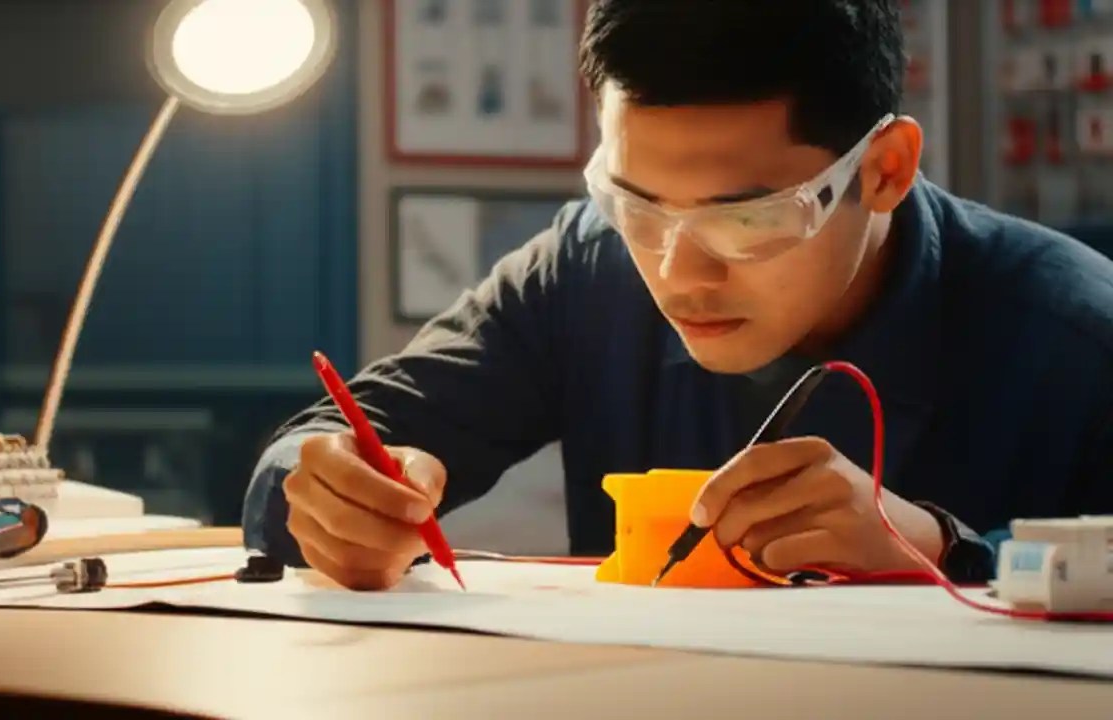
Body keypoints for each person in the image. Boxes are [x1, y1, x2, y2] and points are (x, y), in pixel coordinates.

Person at [242, 0, 1113, 591]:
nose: (678, 273)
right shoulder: (584, 272)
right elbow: (312, 448)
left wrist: (941, 550)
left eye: (748, 220)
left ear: (884, 170)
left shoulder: (1075, 333)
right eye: (637, 204)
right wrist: (331, 500)